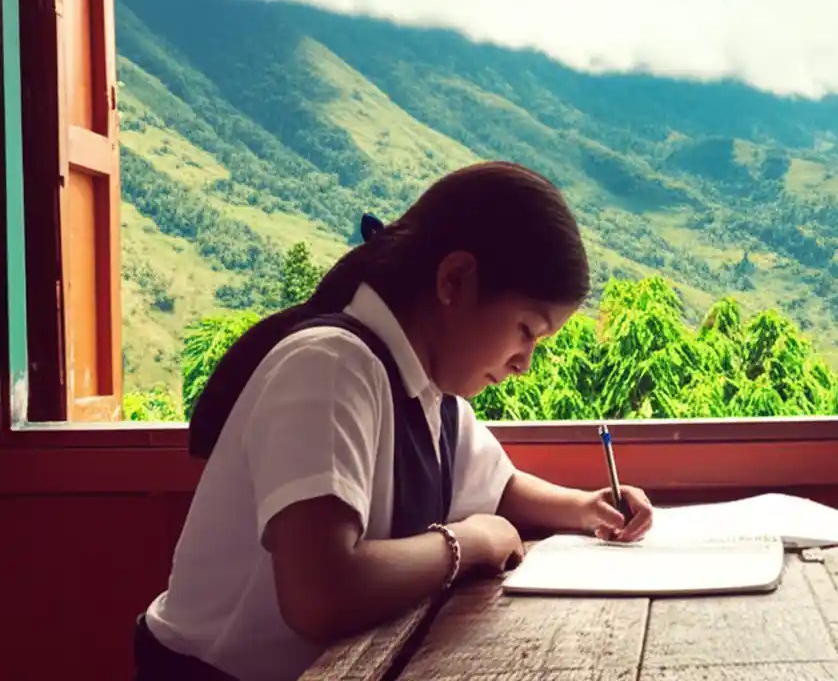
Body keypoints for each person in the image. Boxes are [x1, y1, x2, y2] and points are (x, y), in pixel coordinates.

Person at [134, 162, 654, 681]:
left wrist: (589, 508)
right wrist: (465, 545)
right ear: (455, 280)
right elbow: (321, 594)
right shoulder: (330, 367)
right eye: (526, 331)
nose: (525, 362)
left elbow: (499, 490)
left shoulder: (431, 390)